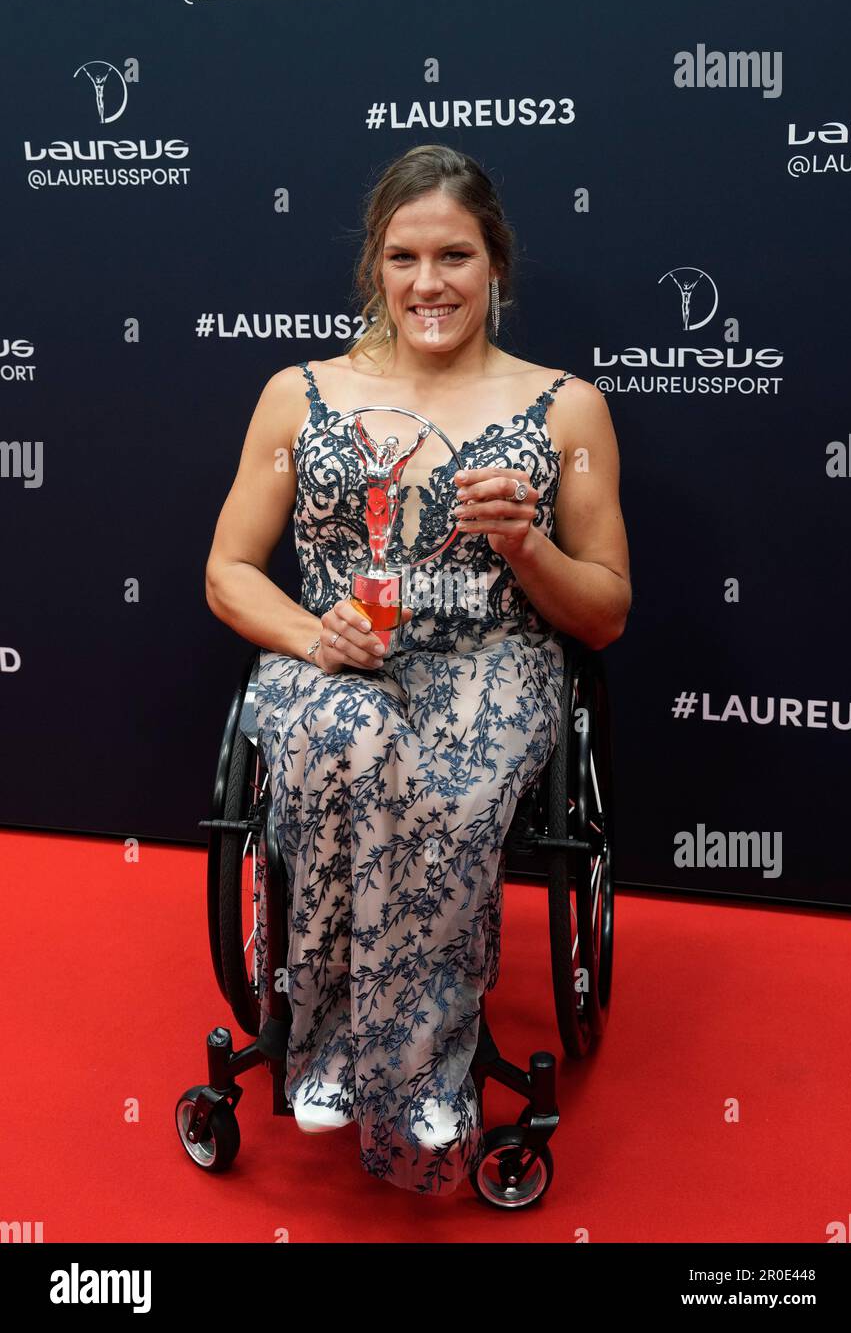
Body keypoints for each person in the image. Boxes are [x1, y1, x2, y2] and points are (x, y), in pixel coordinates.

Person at [204, 143, 631, 1198]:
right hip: (337, 658)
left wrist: (527, 545)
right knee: (351, 735)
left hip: (493, 663)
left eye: (454, 255)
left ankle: (412, 1071)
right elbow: (226, 572)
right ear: (374, 267)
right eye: (403, 257)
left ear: (494, 266)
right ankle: (339, 1045)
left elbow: (607, 612)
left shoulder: (563, 410)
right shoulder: (298, 395)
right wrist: (312, 635)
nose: (427, 282)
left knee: (433, 785)